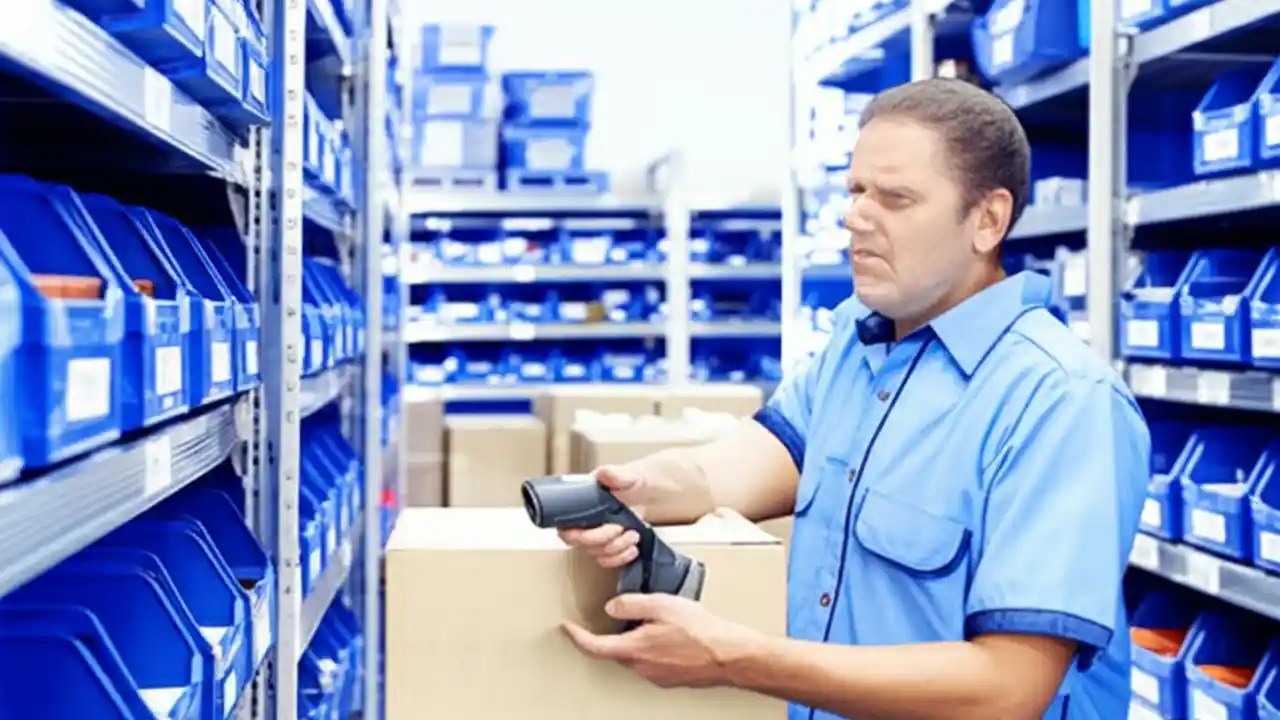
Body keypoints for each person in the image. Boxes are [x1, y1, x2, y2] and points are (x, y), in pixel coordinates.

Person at [557, 77, 1151, 720]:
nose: (855, 217)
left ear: (988, 220)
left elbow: (1007, 687)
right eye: (856, 191)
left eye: (895, 198)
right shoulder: (857, 345)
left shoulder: (1060, 402)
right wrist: (637, 489)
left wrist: (736, 658)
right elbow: (731, 470)